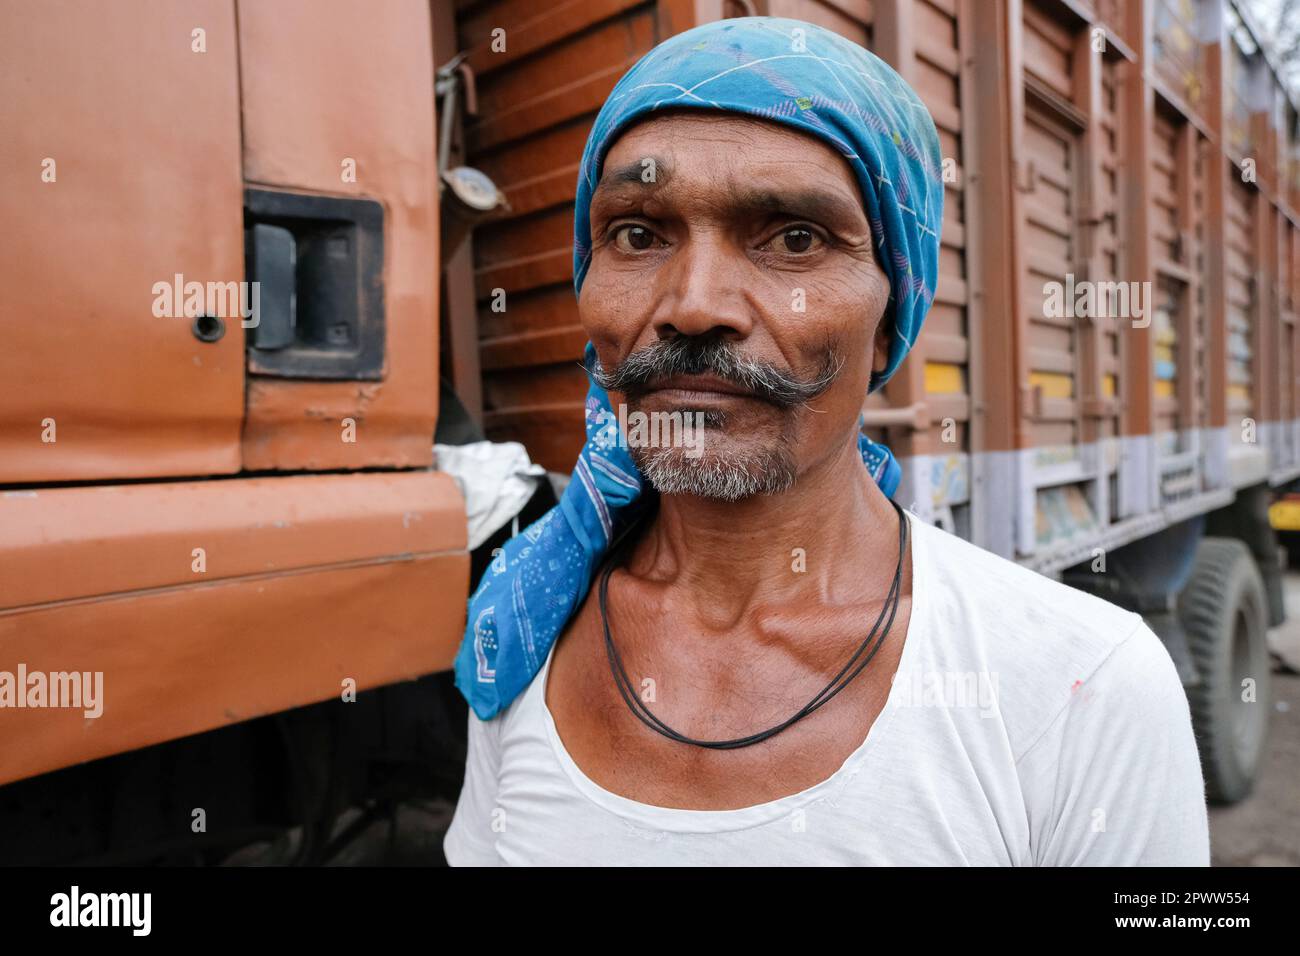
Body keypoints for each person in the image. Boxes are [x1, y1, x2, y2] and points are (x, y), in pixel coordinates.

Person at [444, 16, 1209, 866]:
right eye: (637, 234)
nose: (694, 304)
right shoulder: (523, 631)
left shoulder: (1084, 687)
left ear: (892, 320)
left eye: (795, 238)